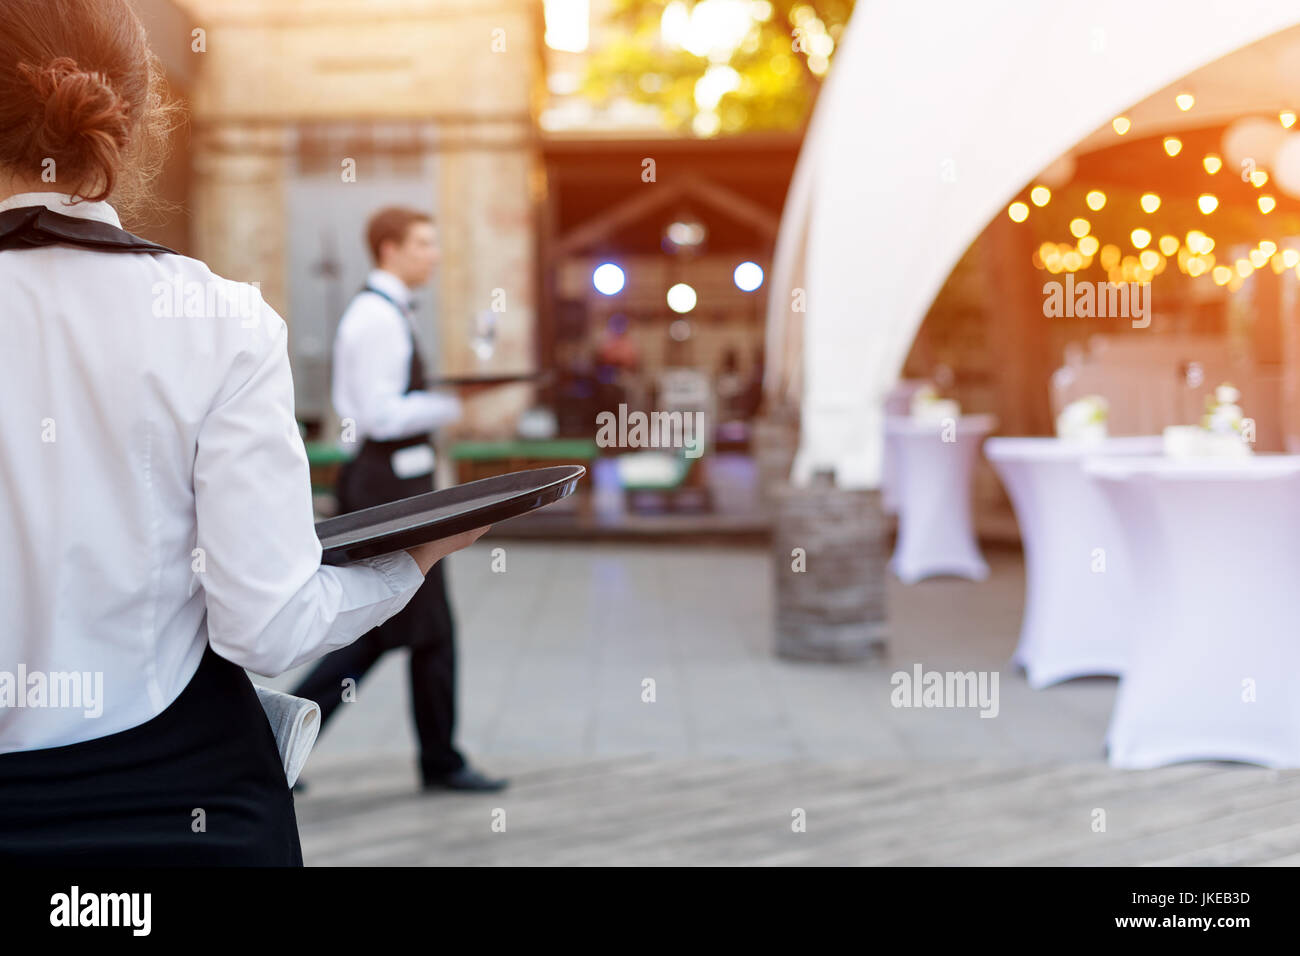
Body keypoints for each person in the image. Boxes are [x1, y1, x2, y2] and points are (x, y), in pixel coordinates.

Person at [0, 0, 487, 866]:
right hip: (178, 815)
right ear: (137, 112)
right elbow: (268, 627)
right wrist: (410, 561)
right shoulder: (220, 321)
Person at [290, 207, 507, 793]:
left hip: (393, 482)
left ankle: (273, 747)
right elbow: (379, 416)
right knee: (416, 629)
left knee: (394, 630)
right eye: (423, 244)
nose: (434, 255)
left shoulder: (386, 312)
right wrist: (458, 405)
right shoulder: (375, 318)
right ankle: (439, 761)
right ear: (389, 249)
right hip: (387, 484)